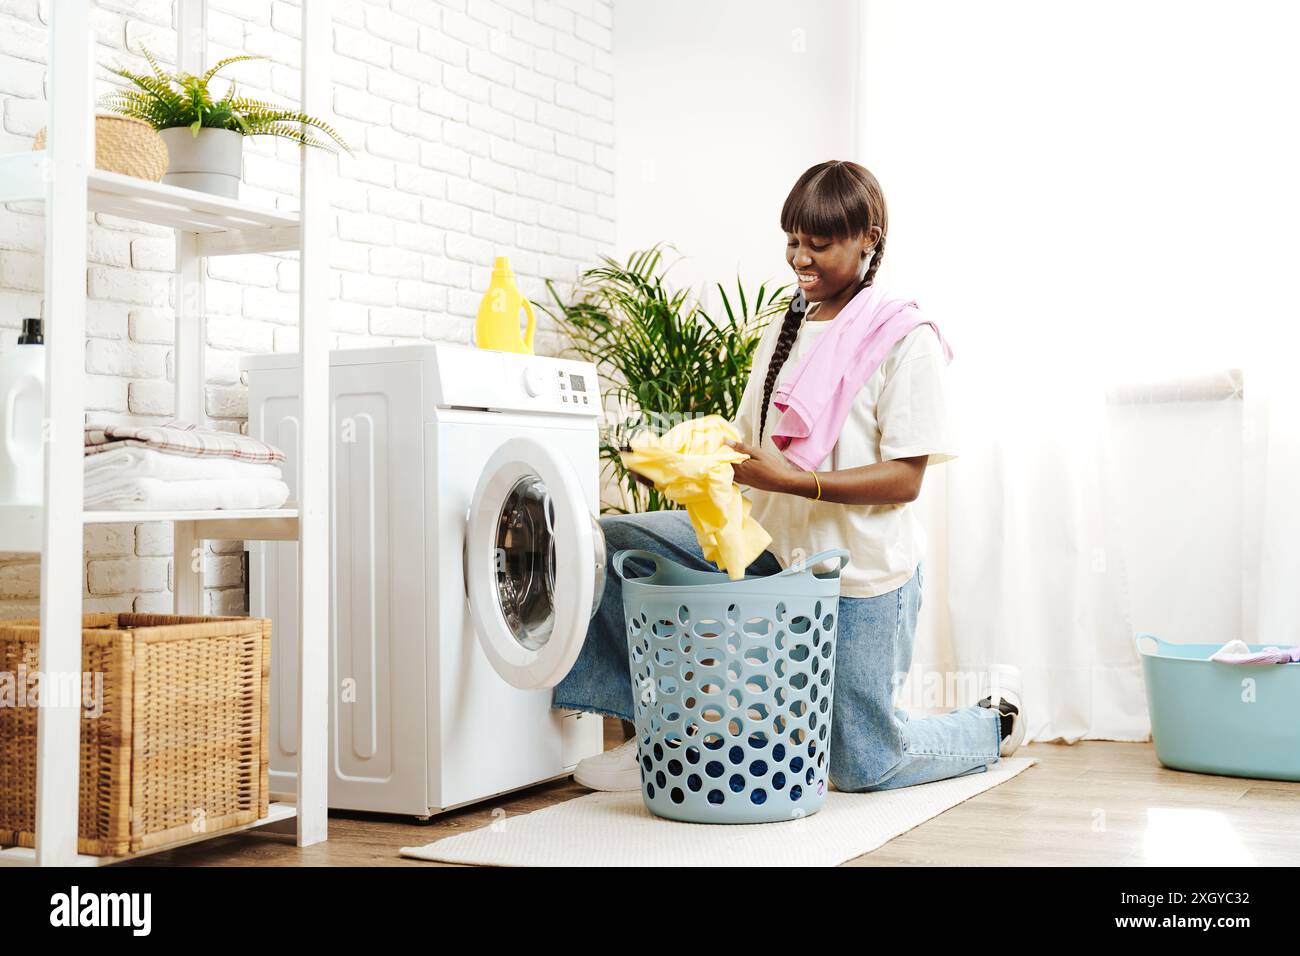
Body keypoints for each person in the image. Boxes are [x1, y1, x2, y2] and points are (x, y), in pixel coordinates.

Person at [553, 160, 1025, 793]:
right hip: (772, 549)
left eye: (819, 244)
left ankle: (993, 723)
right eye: (793, 242)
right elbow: (751, 445)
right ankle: (656, 736)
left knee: (863, 767)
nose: (800, 258)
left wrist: (795, 482)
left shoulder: (905, 338)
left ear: (868, 238)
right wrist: (692, 458)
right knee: (606, 544)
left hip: (859, 573)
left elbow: (906, 480)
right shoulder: (784, 327)